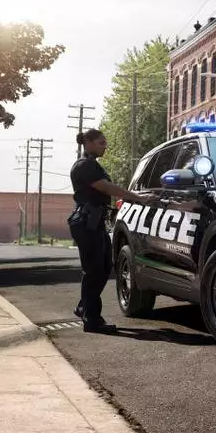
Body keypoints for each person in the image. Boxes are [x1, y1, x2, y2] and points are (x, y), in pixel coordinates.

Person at [68, 129, 158, 333]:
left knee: (103, 269)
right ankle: (91, 320)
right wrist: (138, 197)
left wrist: (138, 197)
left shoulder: (92, 165)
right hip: (86, 224)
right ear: (88, 143)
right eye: (101, 143)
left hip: (96, 223)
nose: (105, 146)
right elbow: (106, 188)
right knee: (93, 272)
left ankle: (84, 307)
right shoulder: (84, 166)